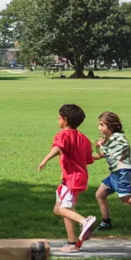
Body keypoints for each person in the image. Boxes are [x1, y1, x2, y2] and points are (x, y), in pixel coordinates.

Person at [37, 103, 98, 252]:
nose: (57, 120)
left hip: (71, 179)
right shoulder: (84, 139)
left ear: (64, 119)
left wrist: (45, 160)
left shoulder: (63, 135)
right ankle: (72, 243)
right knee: (60, 209)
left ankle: (85, 221)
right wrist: (102, 155)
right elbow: (88, 159)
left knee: (64, 208)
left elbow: (58, 147)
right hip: (78, 177)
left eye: (59, 117)